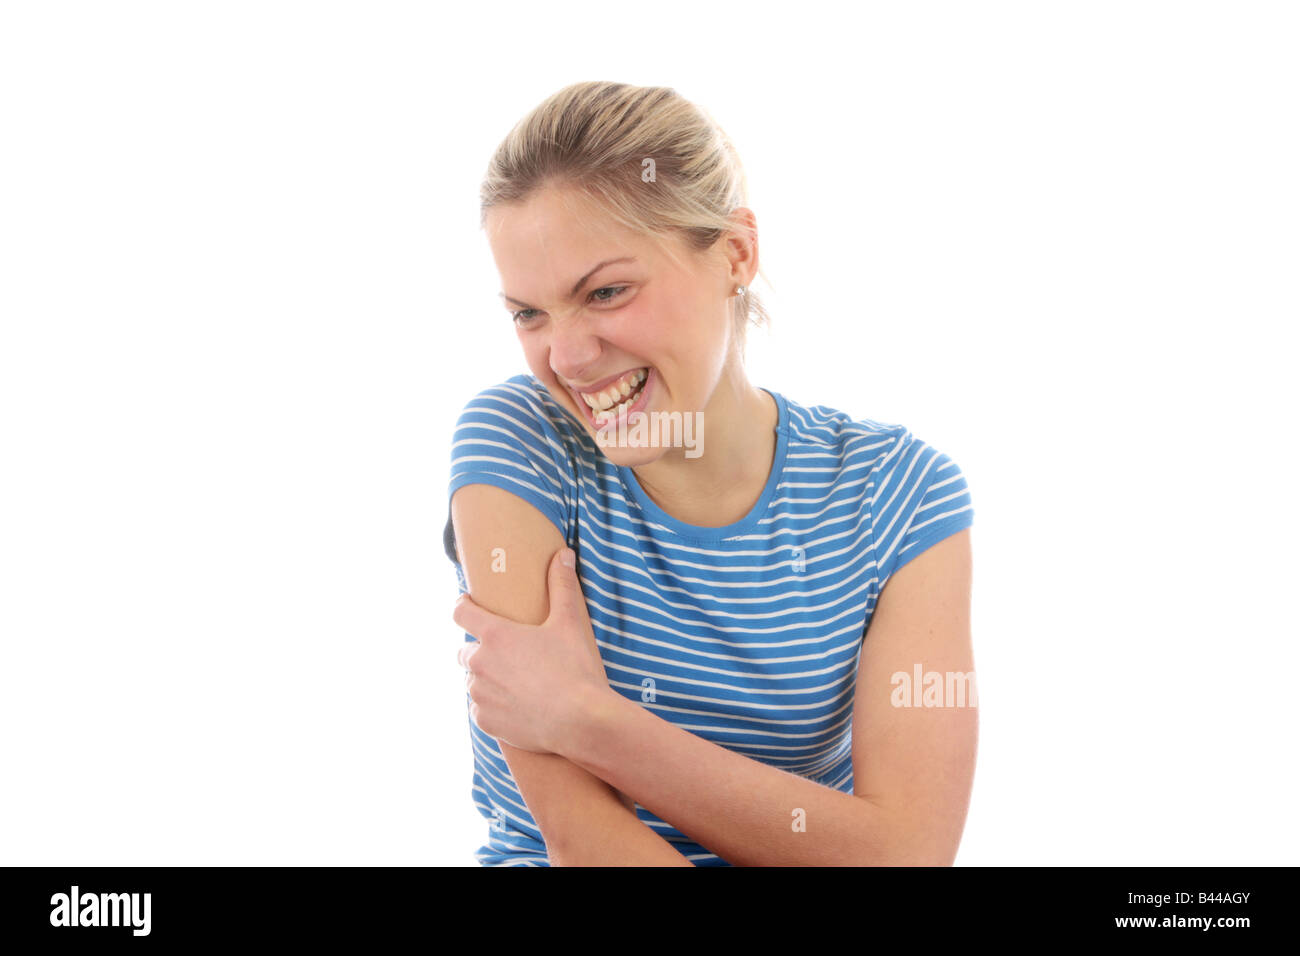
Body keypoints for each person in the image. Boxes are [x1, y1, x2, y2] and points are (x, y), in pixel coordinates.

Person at [445, 80, 976, 866]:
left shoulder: (897, 492)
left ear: (736, 253)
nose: (566, 356)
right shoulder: (521, 443)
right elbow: (579, 838)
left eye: (607, 292)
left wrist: (589, 719)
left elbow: (904, 854)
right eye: (529, 313)